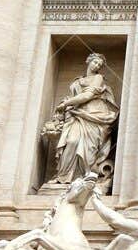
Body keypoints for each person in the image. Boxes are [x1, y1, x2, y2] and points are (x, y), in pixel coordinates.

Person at [47, 54, 119, 185]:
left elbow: (87, 95)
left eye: (99, 65)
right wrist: (67, 105)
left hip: (94, 115)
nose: (97, 66)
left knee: (89, 148)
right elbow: (76, 98)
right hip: (77, 114)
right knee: (72, 141)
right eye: (95, 62)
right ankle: (63, 177)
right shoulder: (77, 81)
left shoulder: (98, 78)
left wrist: (66, 104)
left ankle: (84, 178)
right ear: (88, 61)